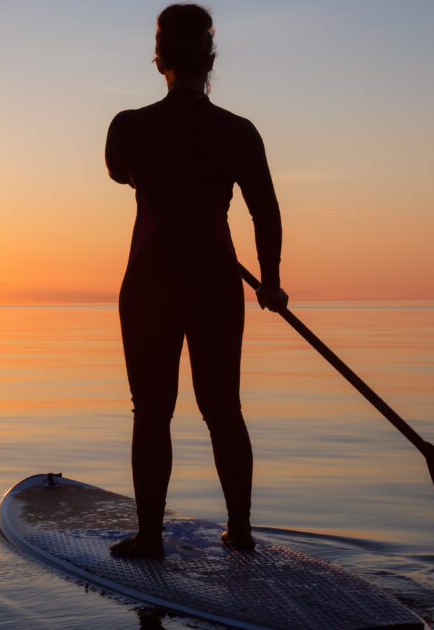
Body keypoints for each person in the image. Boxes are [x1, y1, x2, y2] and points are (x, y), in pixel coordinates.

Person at [105, 3, 288, 559]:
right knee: (223, 409)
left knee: (152, 412)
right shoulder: (238, 131)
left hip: (151, 283)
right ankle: (241, 531)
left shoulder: (128, 127)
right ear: (211, 61)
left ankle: (151, 537)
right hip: (214, 282)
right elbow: (266, 213)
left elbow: (120, 172)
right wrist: (271, 282)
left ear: (159, 59)